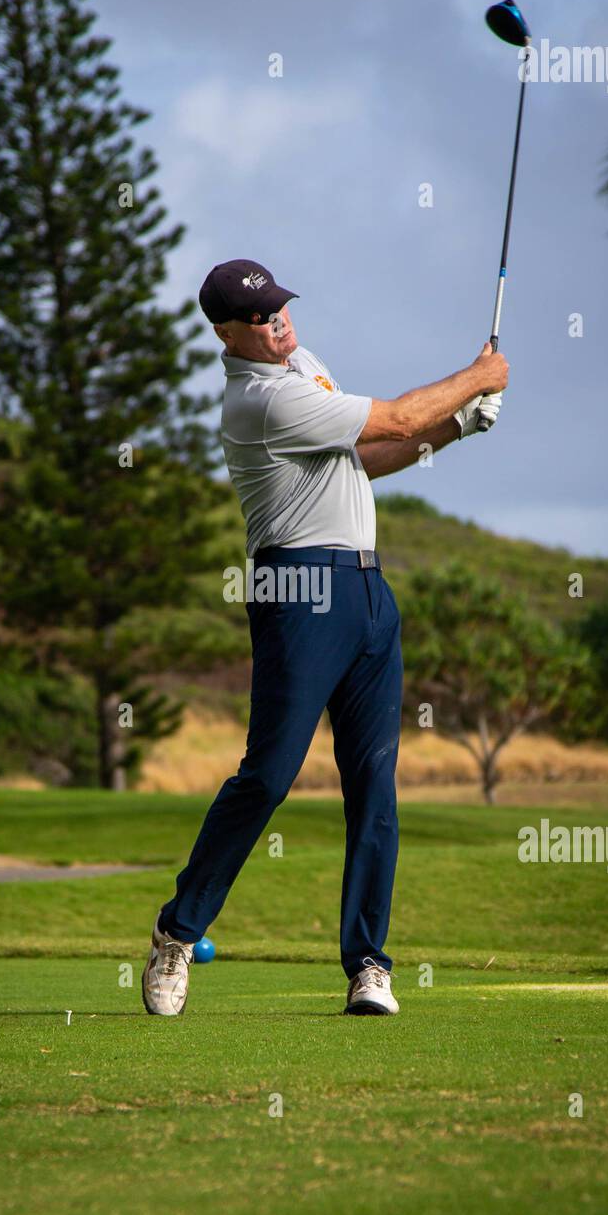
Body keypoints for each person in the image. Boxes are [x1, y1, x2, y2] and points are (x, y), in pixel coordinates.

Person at [142, 259, 508, 1017]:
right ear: (225, 333)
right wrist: (477, 378)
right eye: (260, 318)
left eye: (280, 307)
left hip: (369, 592)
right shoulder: (260, 401)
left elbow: (367, 456)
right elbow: (399, 417)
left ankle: (369, 964)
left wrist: (459, 428)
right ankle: (177, 933)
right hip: (298, 588)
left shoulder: (302, 366)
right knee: (270, 775)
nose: (278, 322)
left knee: (374, 783)